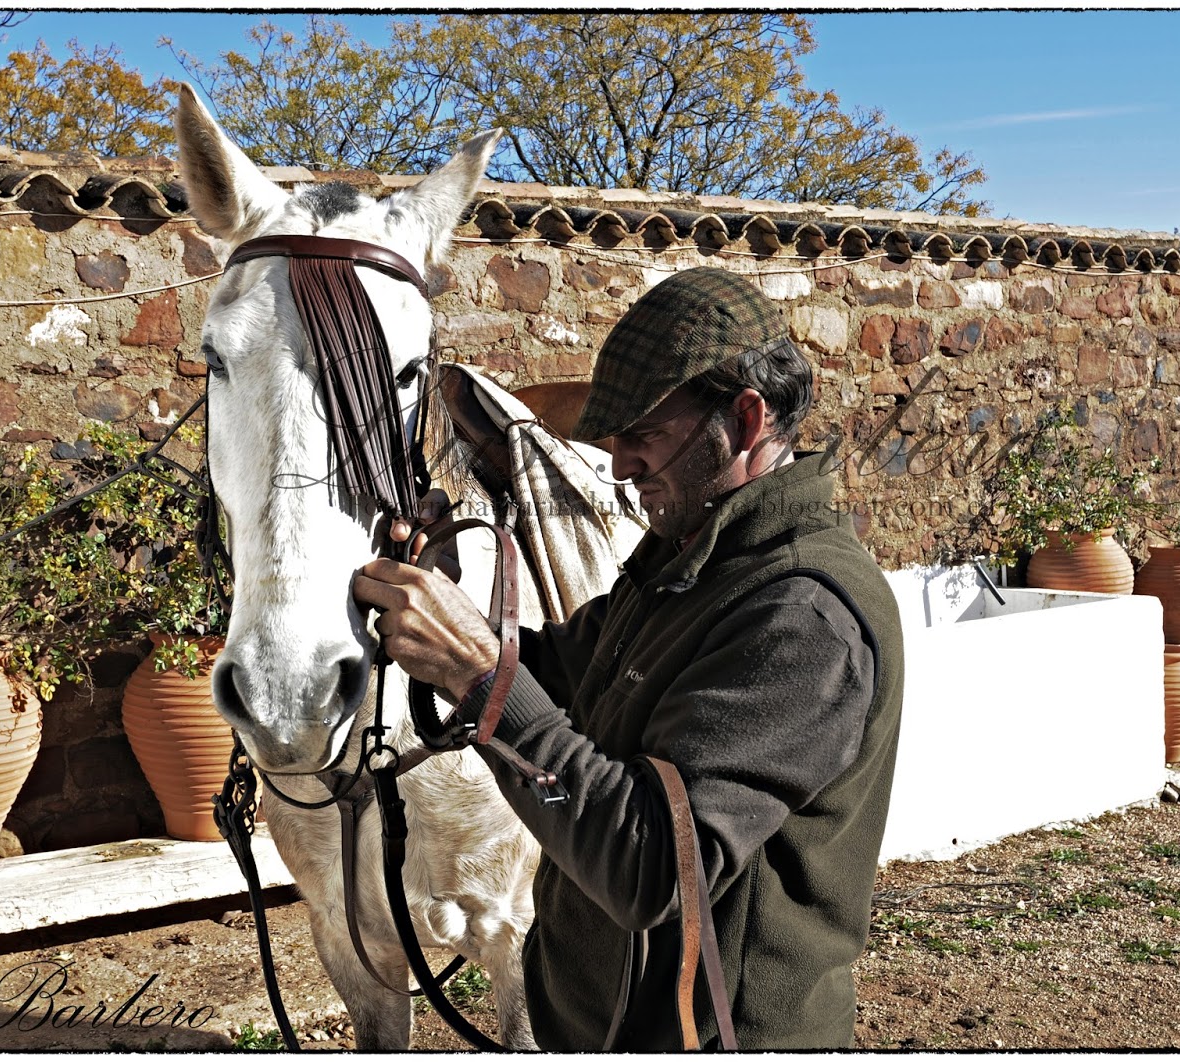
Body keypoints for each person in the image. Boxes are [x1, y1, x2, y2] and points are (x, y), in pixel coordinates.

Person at [353, 267, 904, 1050]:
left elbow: (650, 867)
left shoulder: (802, 616)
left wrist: (479, 675)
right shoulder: (687, 560)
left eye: (643, 436)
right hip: (597, 1020)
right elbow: (552, 671)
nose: (618, 467)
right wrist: (443, 600)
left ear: (745, 419)